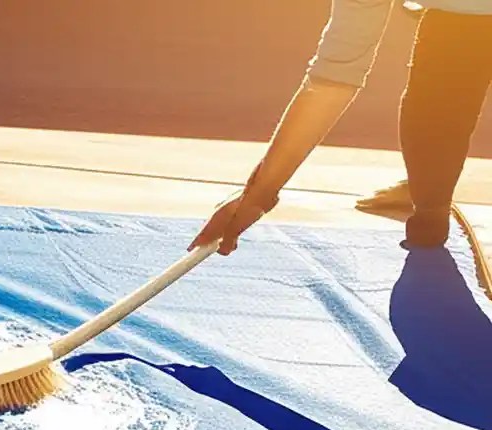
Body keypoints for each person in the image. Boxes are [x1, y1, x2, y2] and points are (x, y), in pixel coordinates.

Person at [191, 1, 492, 256]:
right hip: (462, 23)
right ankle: (431, 201)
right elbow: (334, 75)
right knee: (432, 122)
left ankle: (431, 196)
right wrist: (259, 193)